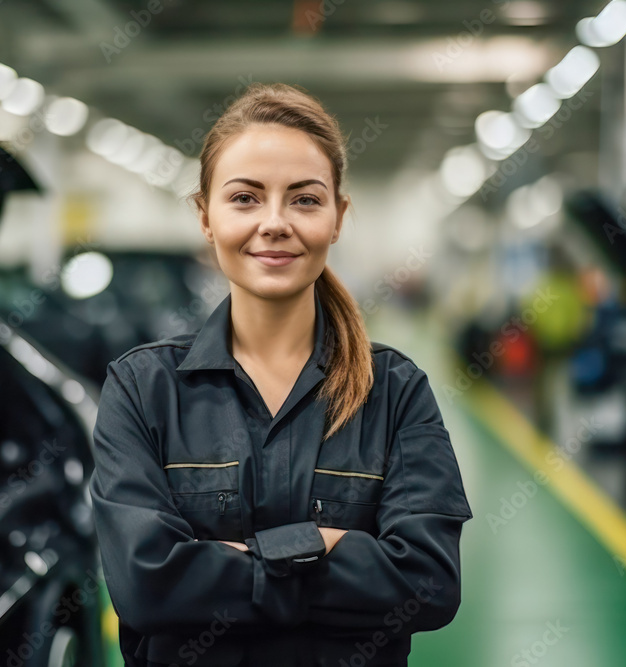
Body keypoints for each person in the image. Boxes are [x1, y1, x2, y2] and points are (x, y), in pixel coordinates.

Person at [90, 82, 473, 667]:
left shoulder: (395, 392)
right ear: (206, 217)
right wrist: (325, 547)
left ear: (338, 216)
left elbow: (428, 583)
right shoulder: (143, 389)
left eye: (305, 199)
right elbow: (146, 586)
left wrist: (225, 564)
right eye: (245, 198)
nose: (274, 222)